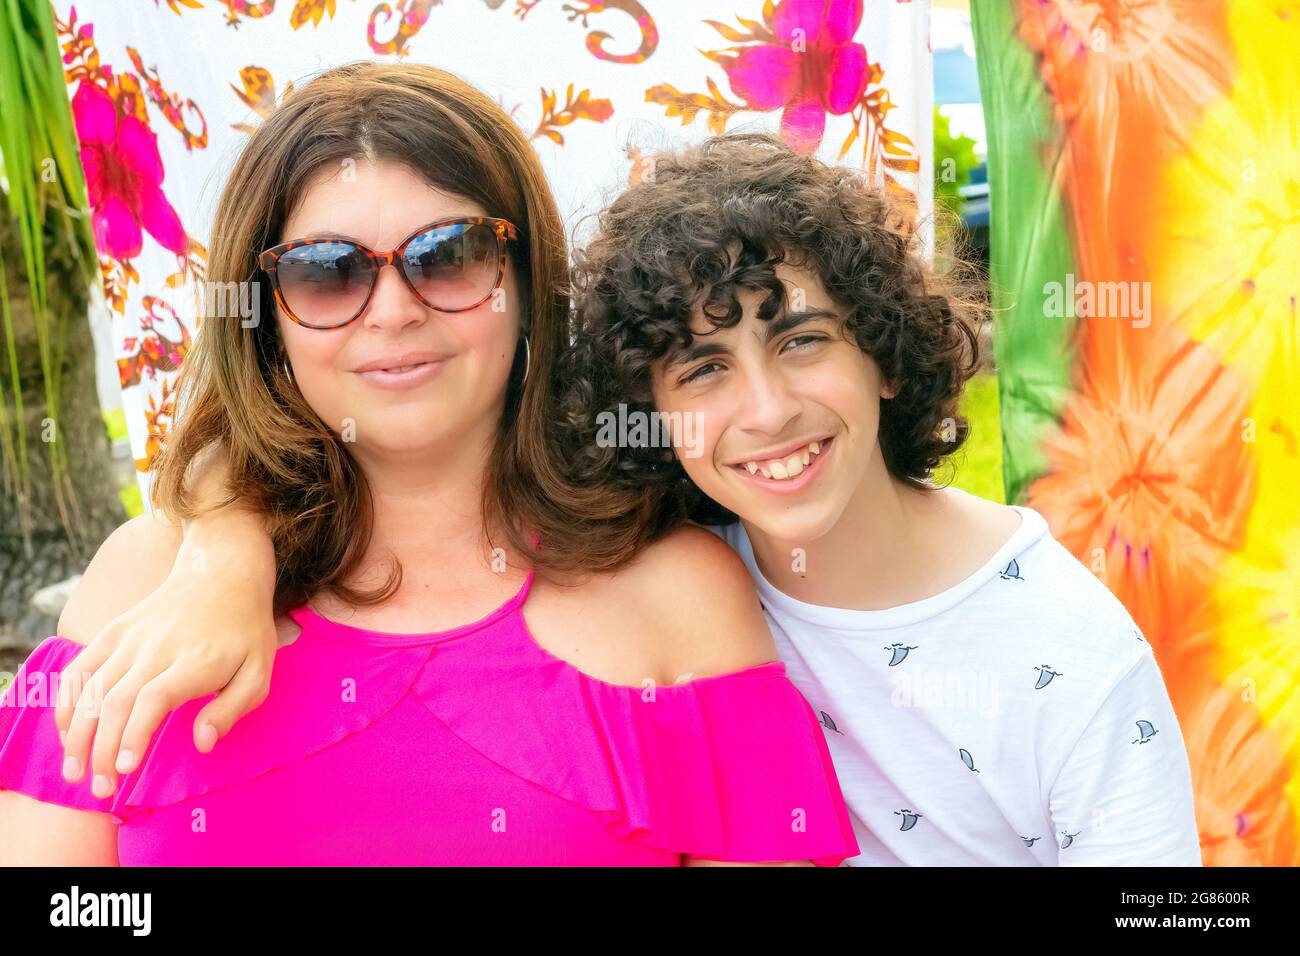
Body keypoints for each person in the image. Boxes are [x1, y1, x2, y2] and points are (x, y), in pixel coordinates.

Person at [0, 68, 859, 867]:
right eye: (327, 273)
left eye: (448, 255)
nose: (393, 311)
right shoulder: (147, 585)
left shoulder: (679, 596)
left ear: (525, 282)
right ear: (267, 319)